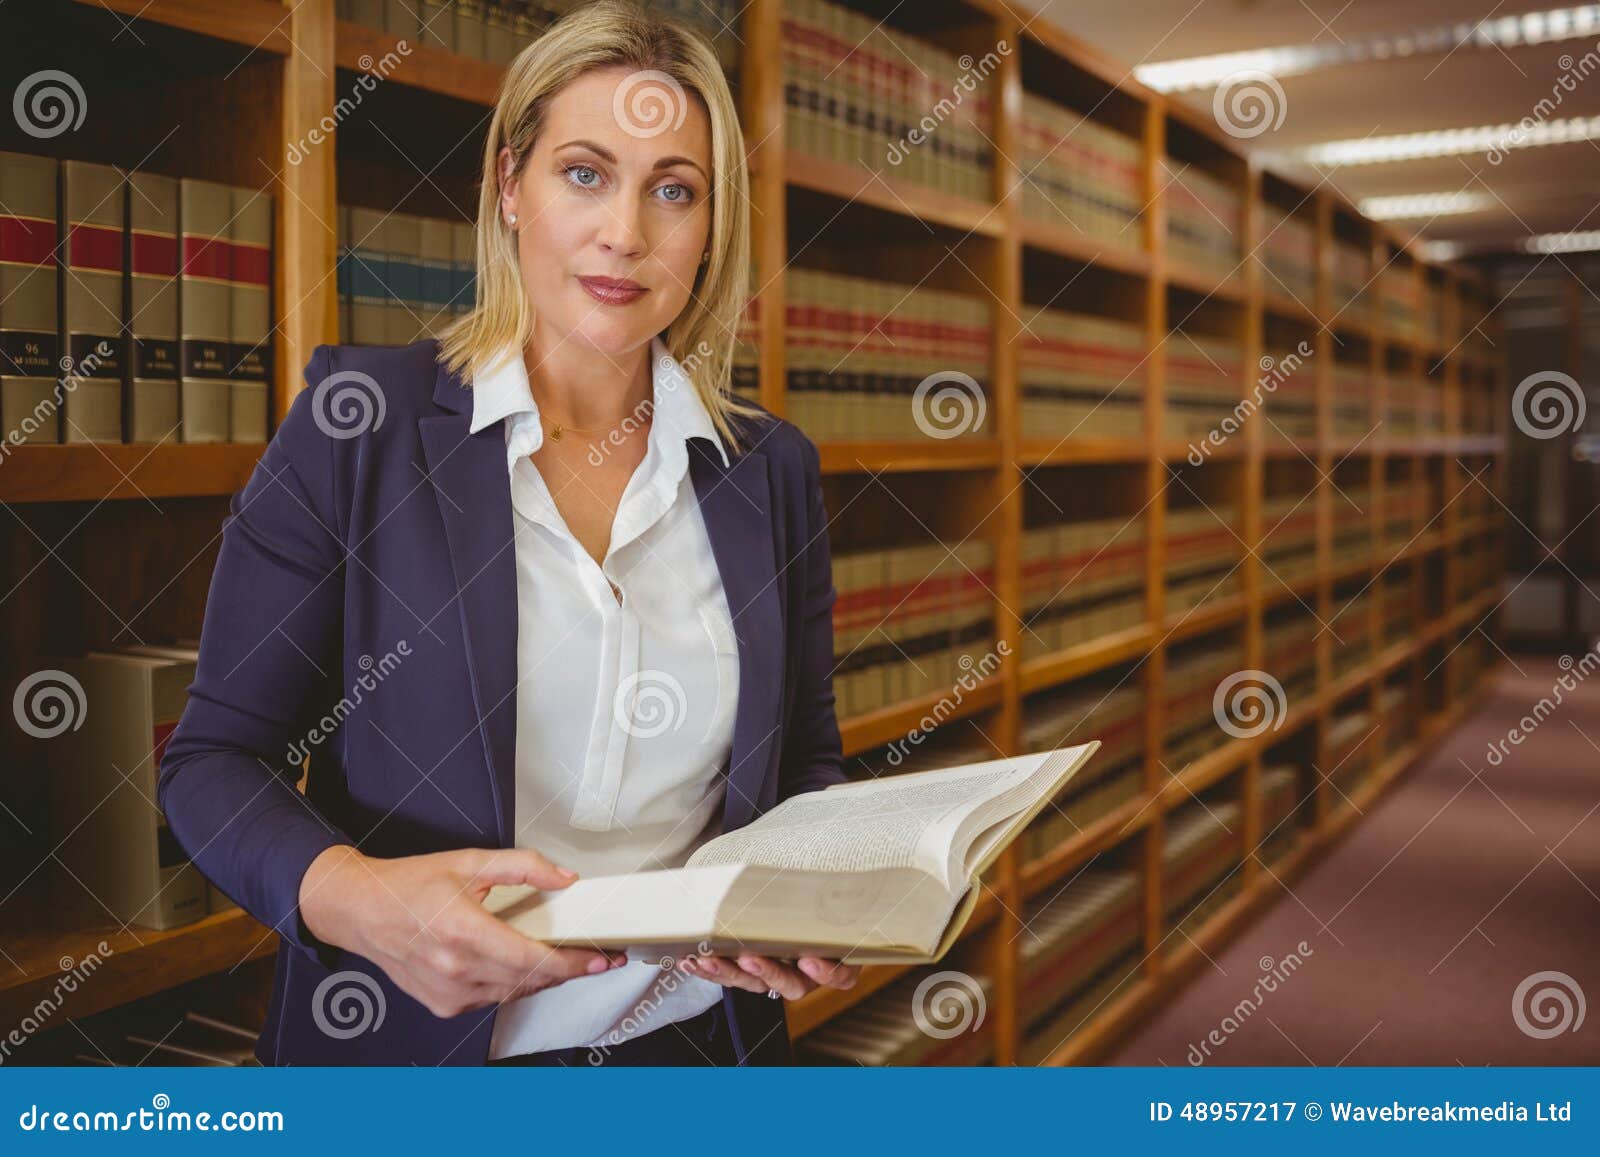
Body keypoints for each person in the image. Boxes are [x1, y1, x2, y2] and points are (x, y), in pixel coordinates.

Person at [158, 0, 859, 1067]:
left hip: (696, 1054)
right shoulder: (362, 428)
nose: (626, 230)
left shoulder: (770, 468)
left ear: (712, 225)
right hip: (413, 1060)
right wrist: (361, 898)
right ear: (509, 187)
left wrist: (813, 895)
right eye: (584, 172)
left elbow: (807, 760)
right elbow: (211, 760)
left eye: (673, 189)